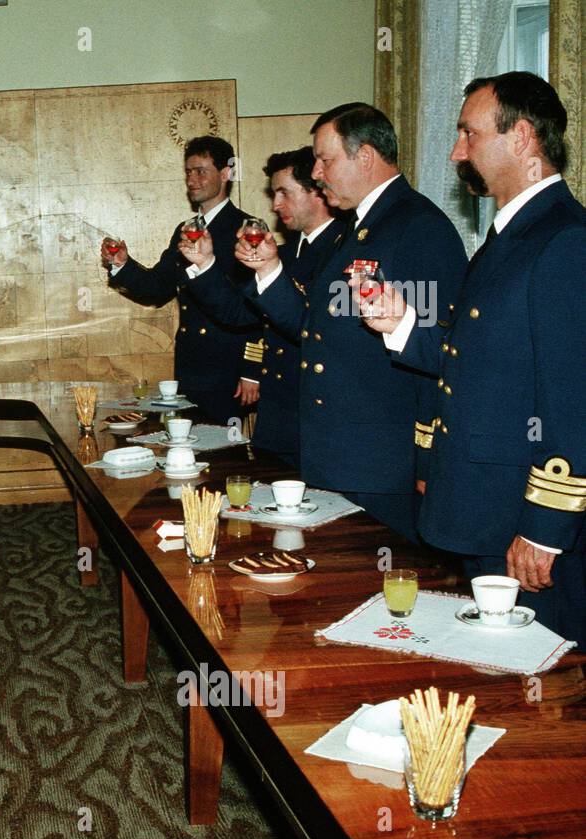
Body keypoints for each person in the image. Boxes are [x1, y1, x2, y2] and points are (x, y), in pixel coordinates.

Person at [364, 72, 586, 639]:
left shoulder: (565, 240)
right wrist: (402, 323)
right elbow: (478, 360)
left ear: (522, 138)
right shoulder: (509, 235)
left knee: (545, 684)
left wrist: (546, 527)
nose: (457, 150)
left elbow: (573, 400)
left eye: (469, 132)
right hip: (483, 505)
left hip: (524, 517)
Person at [234, 103, 467, 541]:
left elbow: (436, 355)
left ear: (365, 157)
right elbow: (317, 327)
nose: (317, 173)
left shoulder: (418, 228)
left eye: (326, 160)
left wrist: (426, 464)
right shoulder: (356, 228)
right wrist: (268, 270)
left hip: (381, 464)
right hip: (337, 454)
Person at [180, 147, 341, 464]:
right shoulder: (289, 251)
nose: (275, 205)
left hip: (318, 422)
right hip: (281, 421)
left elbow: (318, 331)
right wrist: (205, 263)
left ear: (318, 193)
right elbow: (239, 314)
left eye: (284, 193)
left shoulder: (341, 250)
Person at [101, 136, 258, 425]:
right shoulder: (185, 230)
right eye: (188, 171)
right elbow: (158, 288)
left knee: (226, 455)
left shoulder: (246, 230)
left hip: (229, 368)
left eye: (201, 171)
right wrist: (123, 264)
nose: (192, 179)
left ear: (225, 174)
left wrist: (251, 370)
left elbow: (257, 308)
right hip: (191, 365)